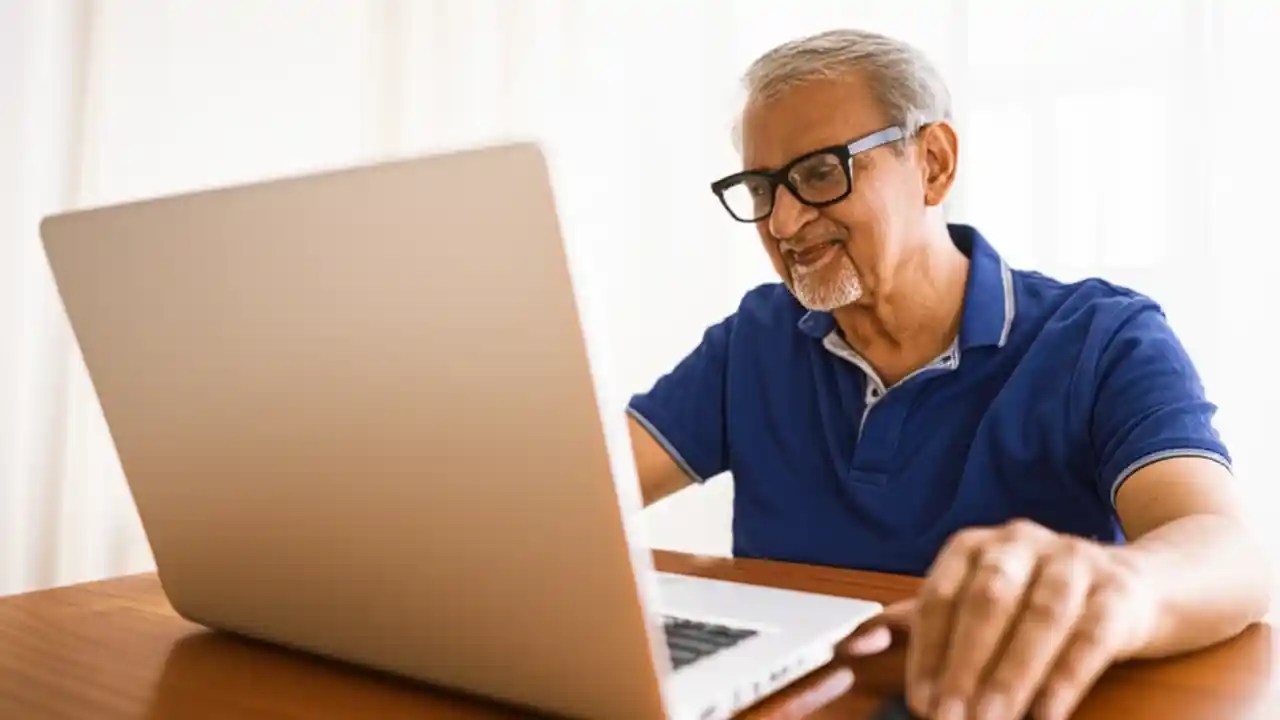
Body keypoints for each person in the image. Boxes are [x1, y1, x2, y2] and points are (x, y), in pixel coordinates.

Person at [626, 29, 1272, 720]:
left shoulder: (1103, 337)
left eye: (819, 173)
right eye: (761, 187)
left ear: (933, 163)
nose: (783, 222)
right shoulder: (754, 337)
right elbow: (579, 493)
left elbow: (1227, 553)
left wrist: (1127, 586)